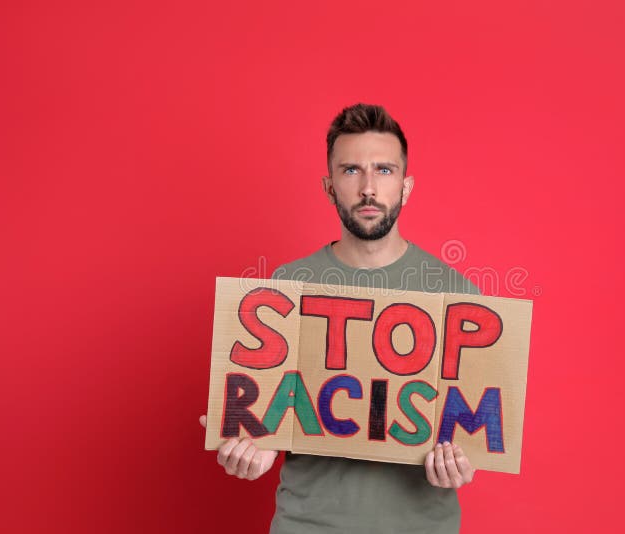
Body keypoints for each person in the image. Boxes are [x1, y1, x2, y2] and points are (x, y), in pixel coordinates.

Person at [200, 103, 480, 533]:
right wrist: (254, 449)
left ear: (406, 187)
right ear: (329, 187)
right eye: (351, 171)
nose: (368, 188)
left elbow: (474, 434)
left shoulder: (457, 296)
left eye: (384, 171)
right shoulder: (285, 286)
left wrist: (464, 464)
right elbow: (271, 422)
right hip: (308, 524)